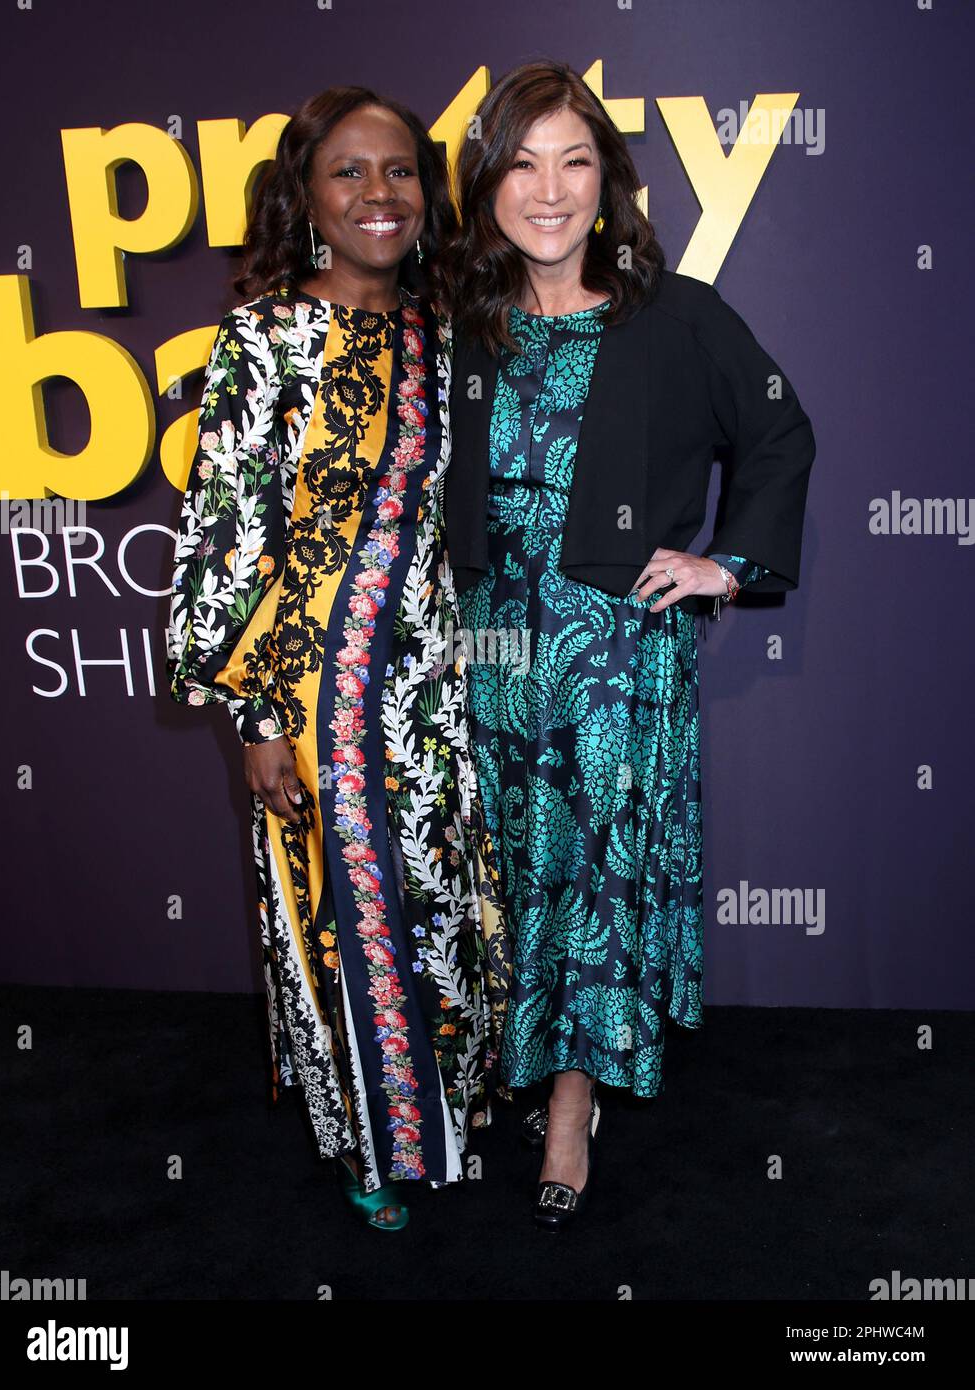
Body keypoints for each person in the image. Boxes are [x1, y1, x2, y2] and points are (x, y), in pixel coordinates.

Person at [443, 60, 815, 1229]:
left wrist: (725, 565)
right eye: (521, 163)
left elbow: (777, 434)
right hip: (488, 647)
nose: (547, 190)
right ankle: (507, 1062)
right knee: (503, 869)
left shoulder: (673, 315)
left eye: (574, 161)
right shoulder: (460, 323)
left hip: (613, 658)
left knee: (589, 876)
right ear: (488, 184)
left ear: (607, 181)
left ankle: (567, 1109)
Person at [166, 87, 510, 1231]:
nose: (379, 194)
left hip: (424, 687)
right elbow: (228, 534)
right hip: (309, 694)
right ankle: (367, 1140)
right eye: (349, 173)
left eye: (400, 171)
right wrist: (254, 716)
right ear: (306, 198)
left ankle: (442, 1123)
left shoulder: (438, 327)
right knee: (339, 912)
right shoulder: (262, 337)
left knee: (433, 902)